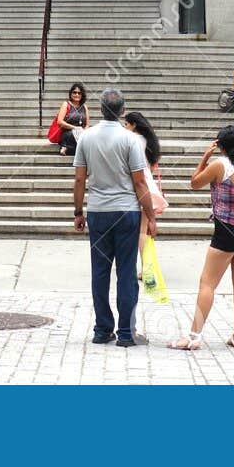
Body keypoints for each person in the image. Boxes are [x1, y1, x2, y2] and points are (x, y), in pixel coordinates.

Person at [169, 126, 234, 352]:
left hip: (226, 230)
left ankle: (194, 337)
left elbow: (194, 183)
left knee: (207, 283)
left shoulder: (219, 165)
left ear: (221, 146)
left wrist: (205, 156)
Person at [72, 88, 159, 347]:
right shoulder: (130, 139)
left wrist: (78, 211)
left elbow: (79, 178)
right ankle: (125, 332)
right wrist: (151, 215)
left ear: (99, 109)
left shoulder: (86, 138)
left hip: (98, 211)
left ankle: (102, 329)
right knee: (126, 272)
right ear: (122, 110)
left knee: (99, 272)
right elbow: (140, 183)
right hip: (126, 212)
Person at [121, 111, 167, 250]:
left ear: (133, 125)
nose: (124, 127)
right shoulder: (150, 141)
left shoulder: (129, 139)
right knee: (143, 230)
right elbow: (152, 167)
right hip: (147, 185)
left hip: (130, 183)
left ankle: (127, 263)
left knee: (127, 229)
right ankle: (145, 266)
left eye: (126, 124)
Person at [51, 83, 89, 156]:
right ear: (71, 94)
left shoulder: (84, 107)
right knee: (72, 134)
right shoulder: (66, 104)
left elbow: (87, 124)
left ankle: (67, 149)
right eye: (74, 92)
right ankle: (67, 147)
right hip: (68, 132)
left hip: (81, 133)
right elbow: (60, 122)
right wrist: (75, 128)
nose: (77, 95)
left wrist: (84, 131)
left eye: (79, 93)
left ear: (82, 95)